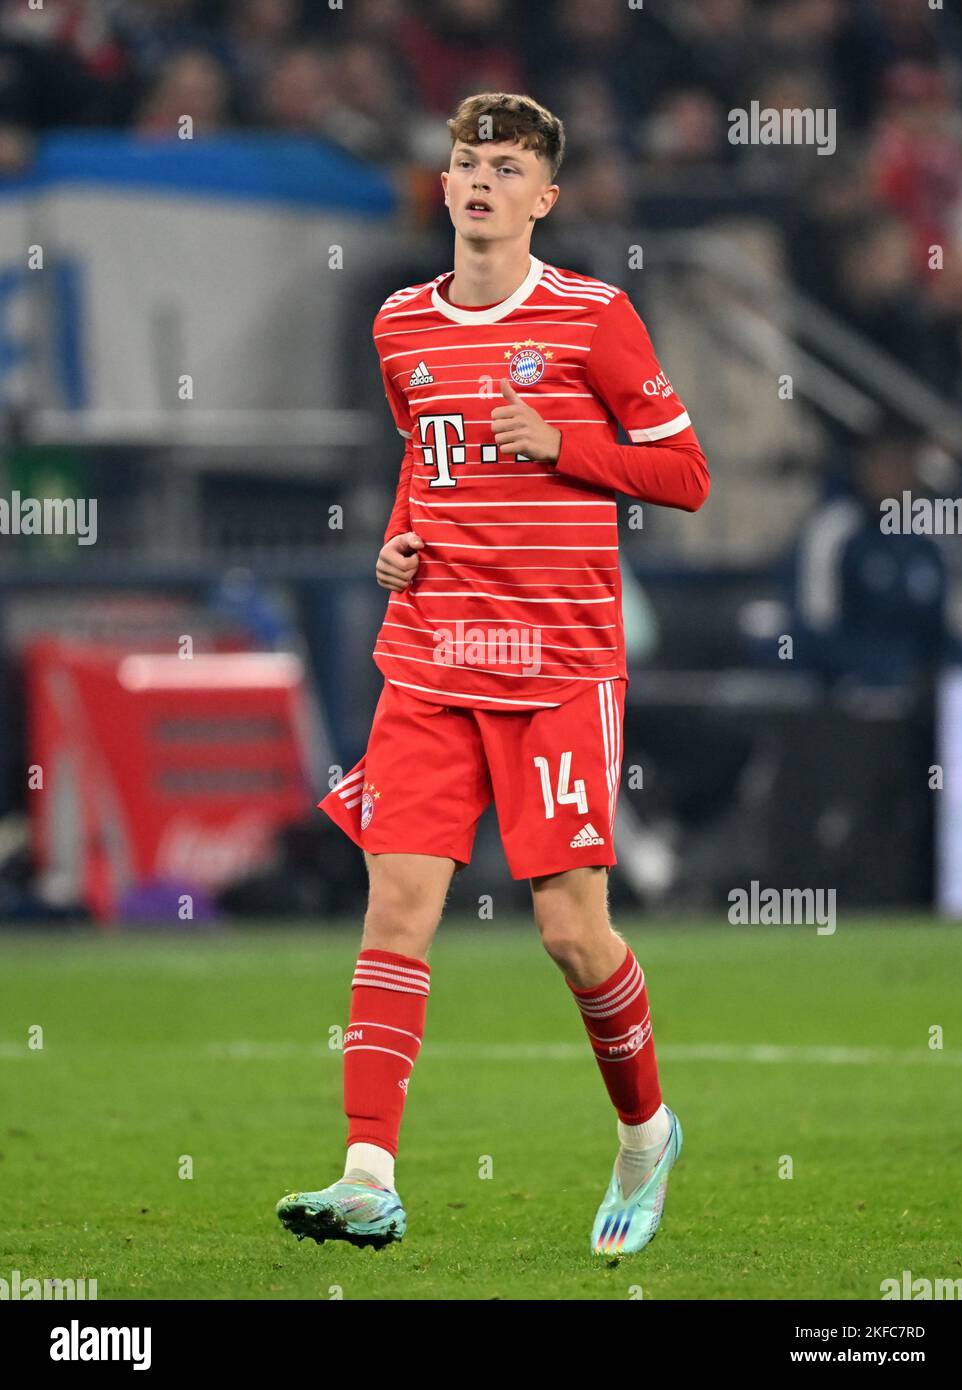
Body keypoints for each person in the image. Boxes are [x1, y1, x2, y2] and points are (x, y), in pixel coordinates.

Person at [276, 92, 710, 1258]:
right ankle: (370, 1174)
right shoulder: (400, 325)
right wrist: (396, 541)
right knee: (397, 906)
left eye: (507, 168)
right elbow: (427, 464)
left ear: (544, 197)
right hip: (430, 656)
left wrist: (563, 446)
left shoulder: (593, 318)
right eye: (469, 162)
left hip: (560, 667)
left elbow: (686, 476)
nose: (480, 182)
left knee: (571, 931)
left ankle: (644, 1131)